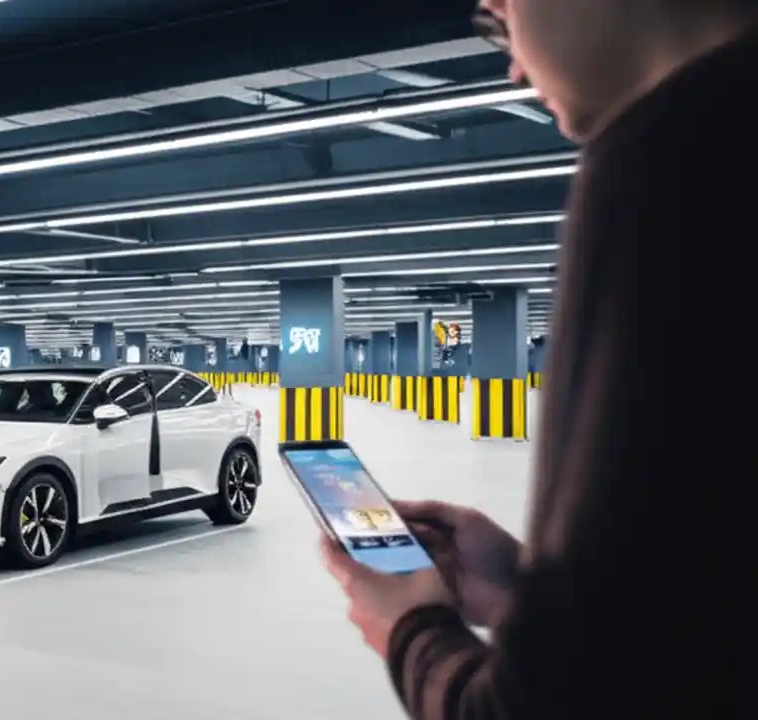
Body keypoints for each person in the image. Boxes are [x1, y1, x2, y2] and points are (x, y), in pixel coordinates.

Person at [318, 1, 756, 718]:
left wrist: (409, 630)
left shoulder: (672, 158)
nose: (516, 64)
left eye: (499, 12)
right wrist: (536, 592)